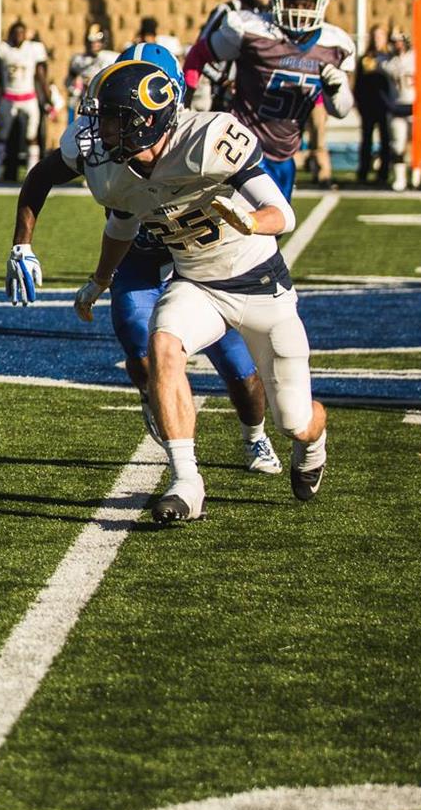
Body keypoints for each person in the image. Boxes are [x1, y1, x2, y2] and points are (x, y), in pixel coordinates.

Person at [60, 60, 328, 522]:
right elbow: (122, 226)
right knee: (163, 343)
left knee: (295, 422)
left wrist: (250, 222)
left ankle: (314, 442)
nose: (102, 131)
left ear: (146, 121)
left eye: (113, 120)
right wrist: (100, 278)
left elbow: (282, 213)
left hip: (259, 285)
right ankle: (187, 481)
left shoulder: (208, 140)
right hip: (196, 283)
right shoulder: (115, 172)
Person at [9, 43, 284, 476]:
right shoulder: (100, 140)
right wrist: (31, 249)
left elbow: (272, 207)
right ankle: (165, 421)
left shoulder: (201, 141)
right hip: (139, 256)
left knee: (239, 368)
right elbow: (76, 195)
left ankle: (255, 435)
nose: (108, 124)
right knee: (142, 348)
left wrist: (252, 227)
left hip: (203, 264)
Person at [194, 0, 356, 198]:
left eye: (306, 4)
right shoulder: (252, 30)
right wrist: (190, 97)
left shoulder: (334, 45)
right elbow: (198, 55)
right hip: (244, 145)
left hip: (285, 152)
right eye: (292, 2)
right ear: (277, 1)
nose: (299, 11)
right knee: (250, 217)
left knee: (278, 219)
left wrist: (336, 89)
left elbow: (340, 110)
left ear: (320, 5)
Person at [187, 0, 279, 111]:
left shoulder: (278, 15)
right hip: (226, 103)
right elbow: (198, 53)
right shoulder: (228, 11)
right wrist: (223, 81)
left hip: (264, 103)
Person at [0, 19, 50, 184]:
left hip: (28, 97)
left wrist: (47, 97)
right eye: (15, 33)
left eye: (21, 33)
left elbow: (41, 74)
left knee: (31, 136)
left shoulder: (33, 49)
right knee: (1, 136)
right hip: (8, 96)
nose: (18, 36)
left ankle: (31, 173)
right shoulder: (3, 49)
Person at [355, 25, 396, 186]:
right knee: (366, 140)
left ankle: (383, 173)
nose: (378, 40)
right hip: (368, 105)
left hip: (385, 105)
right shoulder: (366, 58)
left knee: (386, 140)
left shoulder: (390, 58)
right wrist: (358, 102)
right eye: (375, 36)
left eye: (380, 36)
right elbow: (359, 84)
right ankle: (363, 172)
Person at [385, 31, 417, 191]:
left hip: (416, 105)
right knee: (397, 144)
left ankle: (420, 177)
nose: (397, 44)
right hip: (397, 106)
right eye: (394, 41)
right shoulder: (388, 62)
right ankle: (400, 179)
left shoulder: (416, 58)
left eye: (399, 41)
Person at [65, 25, 116, 116]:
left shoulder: (110, 58)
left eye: (97, 41)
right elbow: (69, 82)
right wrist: (78, 82)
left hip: (104, 102)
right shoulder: (78, 60)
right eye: (91, 42)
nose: (94, 44)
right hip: (85, 102)